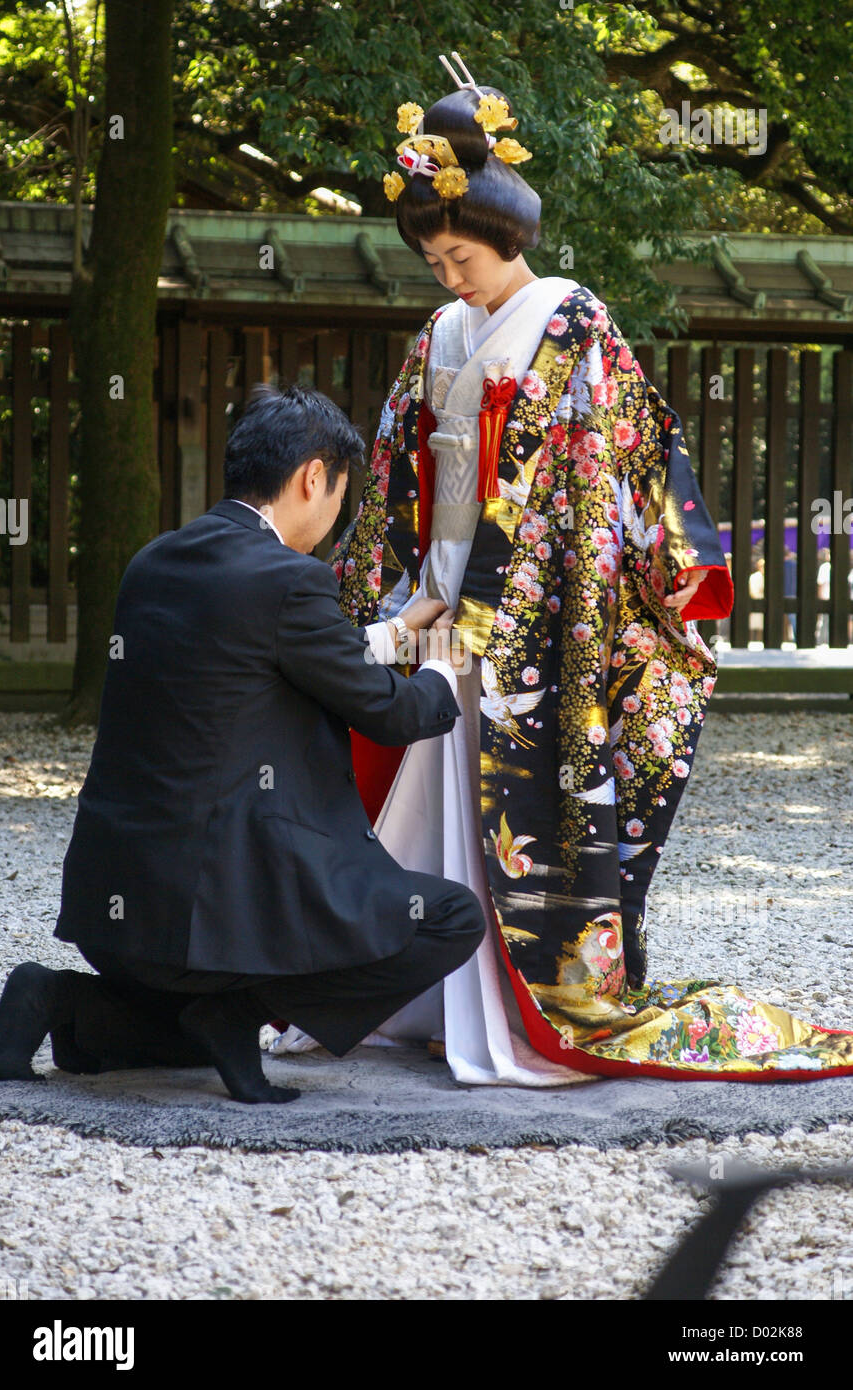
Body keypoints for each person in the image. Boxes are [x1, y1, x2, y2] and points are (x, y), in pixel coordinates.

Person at [312, 51, 853, 1082]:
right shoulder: (440, 333)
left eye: (460, 256)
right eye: (434, 260)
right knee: (421, 798)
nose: (448, 275)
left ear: (505, 235)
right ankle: (410, 993)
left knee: (498, 801)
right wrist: (405, 587)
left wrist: (493, 598)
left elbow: (615, 460)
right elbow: (399, 462)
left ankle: (518, 1007)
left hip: (534, 604)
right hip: (443, 577)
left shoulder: (571, 318)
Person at [0, 385, 485, 1103]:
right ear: (315, 477)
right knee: (449, 916)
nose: (335, 515)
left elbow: (255, 660)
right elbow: (391, 715)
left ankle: (58, 1000)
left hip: (119, 914)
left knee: (183, 1036)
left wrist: (390, 634)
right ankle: (238, 1013)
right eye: (340, 494)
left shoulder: (155, 561)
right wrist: (441, 663)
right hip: (220, 917)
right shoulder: (288, 580)